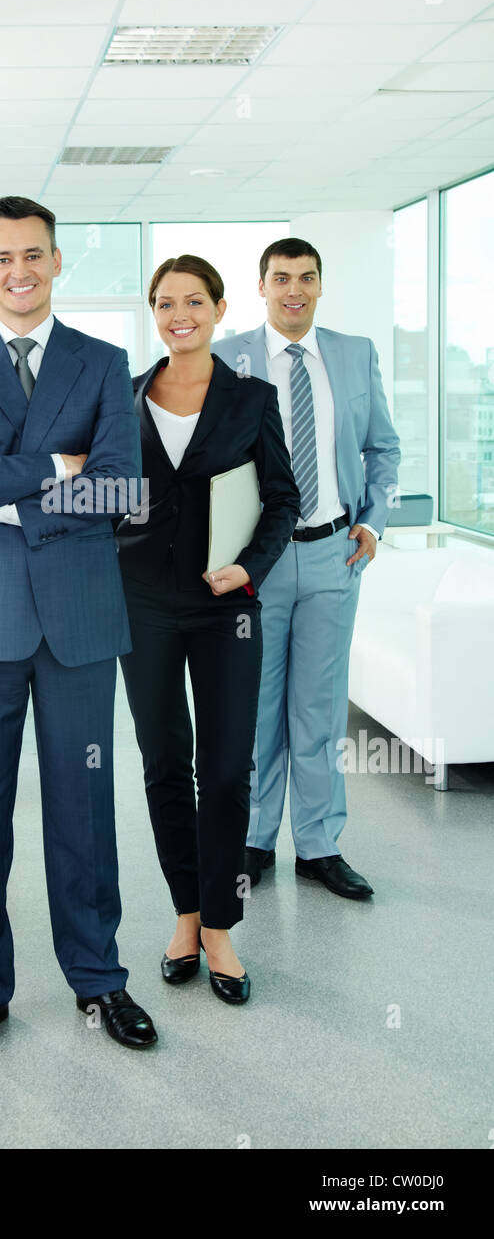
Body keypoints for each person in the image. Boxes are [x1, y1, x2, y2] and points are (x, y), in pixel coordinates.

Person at [0, 196, 157, 1066]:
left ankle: (99, 980)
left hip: (79, 616)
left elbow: (122, 490)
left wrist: (7, 485)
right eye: (0, 257)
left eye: (33, 255)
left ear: (58, 262)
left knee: (85, 811)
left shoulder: (102, 362)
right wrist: (59, 467)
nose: (18, 271)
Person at [115, 255, 299, 1004]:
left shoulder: (251, 397)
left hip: (227, 606)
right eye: (164, 302)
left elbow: (283, 499)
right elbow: (100, 486)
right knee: (165, 765)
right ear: (152, 312)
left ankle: (221, 922)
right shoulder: (127, 396)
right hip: (144, 604)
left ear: (220, 309)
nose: (178, 314)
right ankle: (186, 914)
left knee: (226, 769)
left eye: (193, 301)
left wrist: (250, 568)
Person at [215, 238, 401, 899]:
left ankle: (319, 845)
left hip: (331, 553)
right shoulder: (226, 356)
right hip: (256, 561)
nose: (294, 290)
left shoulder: (355, 355)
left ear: (321, 285)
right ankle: (256, 840)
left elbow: (383, 447)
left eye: (307, 278)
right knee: (257, 709)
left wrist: (372, 523)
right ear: (261, 286)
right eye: (282, 279)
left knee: (317, 713)